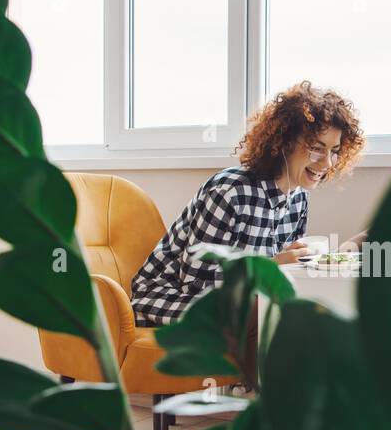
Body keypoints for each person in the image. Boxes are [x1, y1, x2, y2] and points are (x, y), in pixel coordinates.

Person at [130, 81, 367, 327]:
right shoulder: (229, 191)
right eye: (317, 149)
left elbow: (283, 280)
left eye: (334, 151)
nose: (328, 163)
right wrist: (269, 268)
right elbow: (195, 283)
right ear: (285, 142)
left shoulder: (298, 198)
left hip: (240, 305)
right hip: (171, 301)